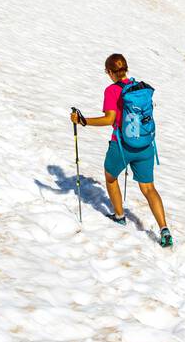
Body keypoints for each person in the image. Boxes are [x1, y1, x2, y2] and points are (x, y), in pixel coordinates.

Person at [72, 53, 172, 248]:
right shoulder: (139, 89)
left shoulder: (111, 91)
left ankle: (119, 216)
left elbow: (109, 119)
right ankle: (164, 230)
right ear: (125, 69)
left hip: (122, 146)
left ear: (109, 72)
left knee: (110, 176)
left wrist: (83, 121)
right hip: (145, 145)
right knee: (149, 188)